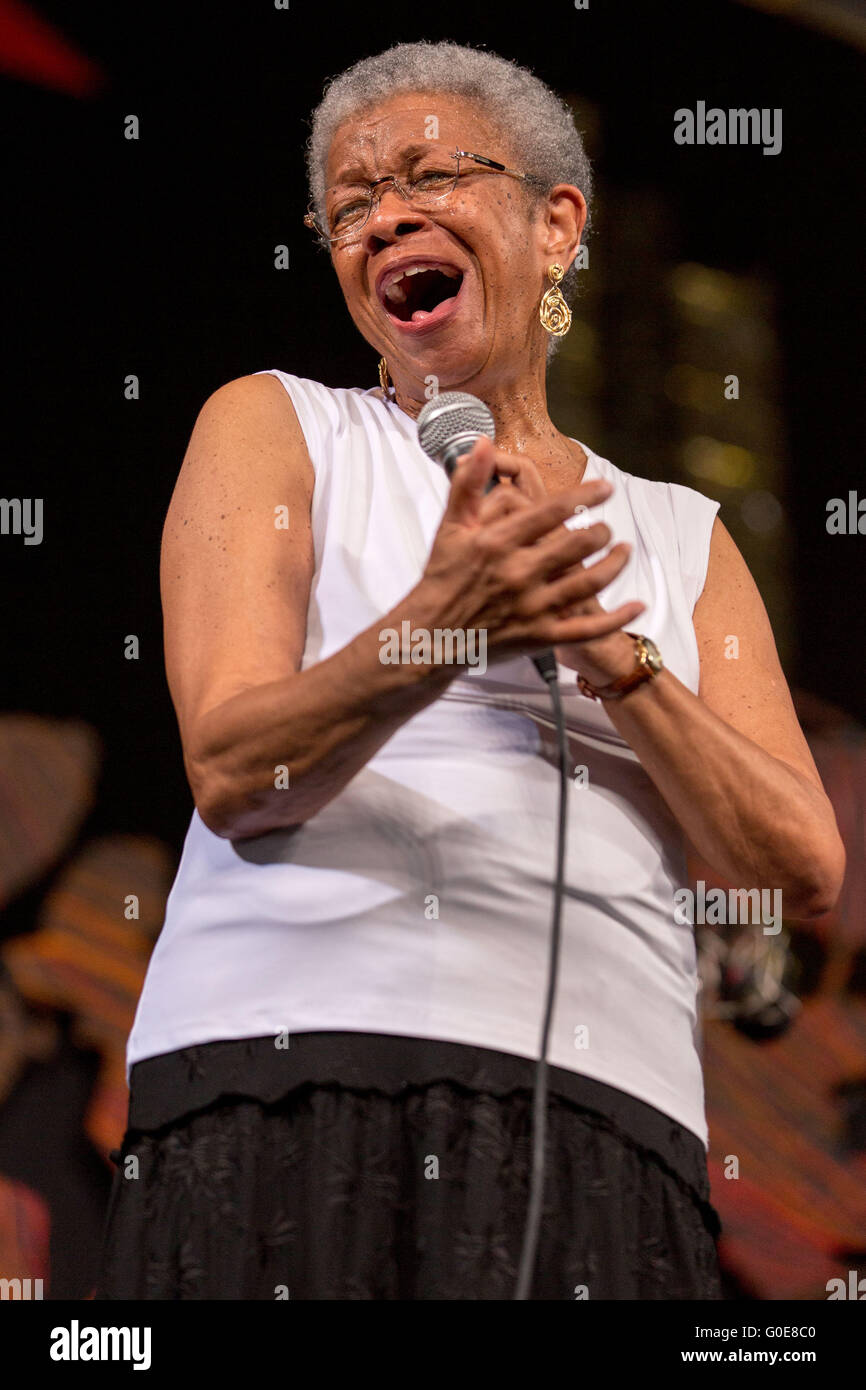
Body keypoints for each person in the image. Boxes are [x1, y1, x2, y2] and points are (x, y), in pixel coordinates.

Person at [96, 40, 845, 1300]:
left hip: (605, 1120)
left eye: (430, 174)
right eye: (347, 204)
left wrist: (610, 652)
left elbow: (795, 863)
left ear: (556, 223)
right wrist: (444, 617)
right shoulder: (280, 425)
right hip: (290, 1080)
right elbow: (232, 764)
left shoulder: (677, 534)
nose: (384, 216)